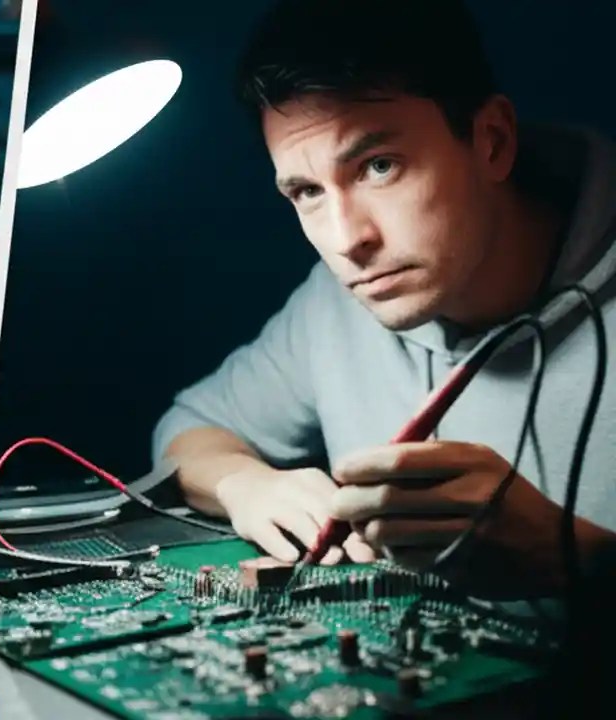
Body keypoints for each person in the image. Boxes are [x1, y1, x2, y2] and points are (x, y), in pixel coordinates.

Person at [153, 0, 616, 601]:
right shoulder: (338, 302)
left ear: (492, 142)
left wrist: (578, 557)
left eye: (378, 166)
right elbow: (191, 430)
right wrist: (247, 485)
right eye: (307, 191)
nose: (347, 241)